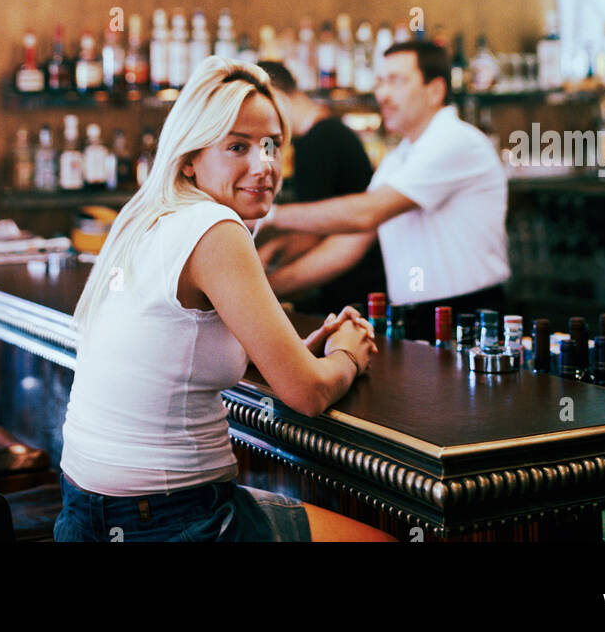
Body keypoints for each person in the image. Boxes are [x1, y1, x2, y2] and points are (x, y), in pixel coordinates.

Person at [55, 56, 393, 542]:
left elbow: (180, 350)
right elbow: (308, 395)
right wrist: (346, 355)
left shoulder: (150, 216)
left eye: (271, 145)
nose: (265, 165)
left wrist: (294, 351)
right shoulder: (214, 228)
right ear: (190, 157)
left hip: (88, 514)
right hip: (172, 520)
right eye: (238, 146)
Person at [262, 41, 509, 343]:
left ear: (435, 90)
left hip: (467, 314)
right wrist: (264, 288)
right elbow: (348, 243)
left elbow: (367, 213)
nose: (382, 94)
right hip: (415, 317)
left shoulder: (456, 142)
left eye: (396, 81)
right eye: (380, 81)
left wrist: (269, 214)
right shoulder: (400, 157)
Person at [255, 60, 386, 315]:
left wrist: (269, 264)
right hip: (351, 283)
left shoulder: (319, 142)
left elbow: (314, 233)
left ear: (277, 96)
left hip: (354, 287)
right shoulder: (325, 134)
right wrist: (275, 249)